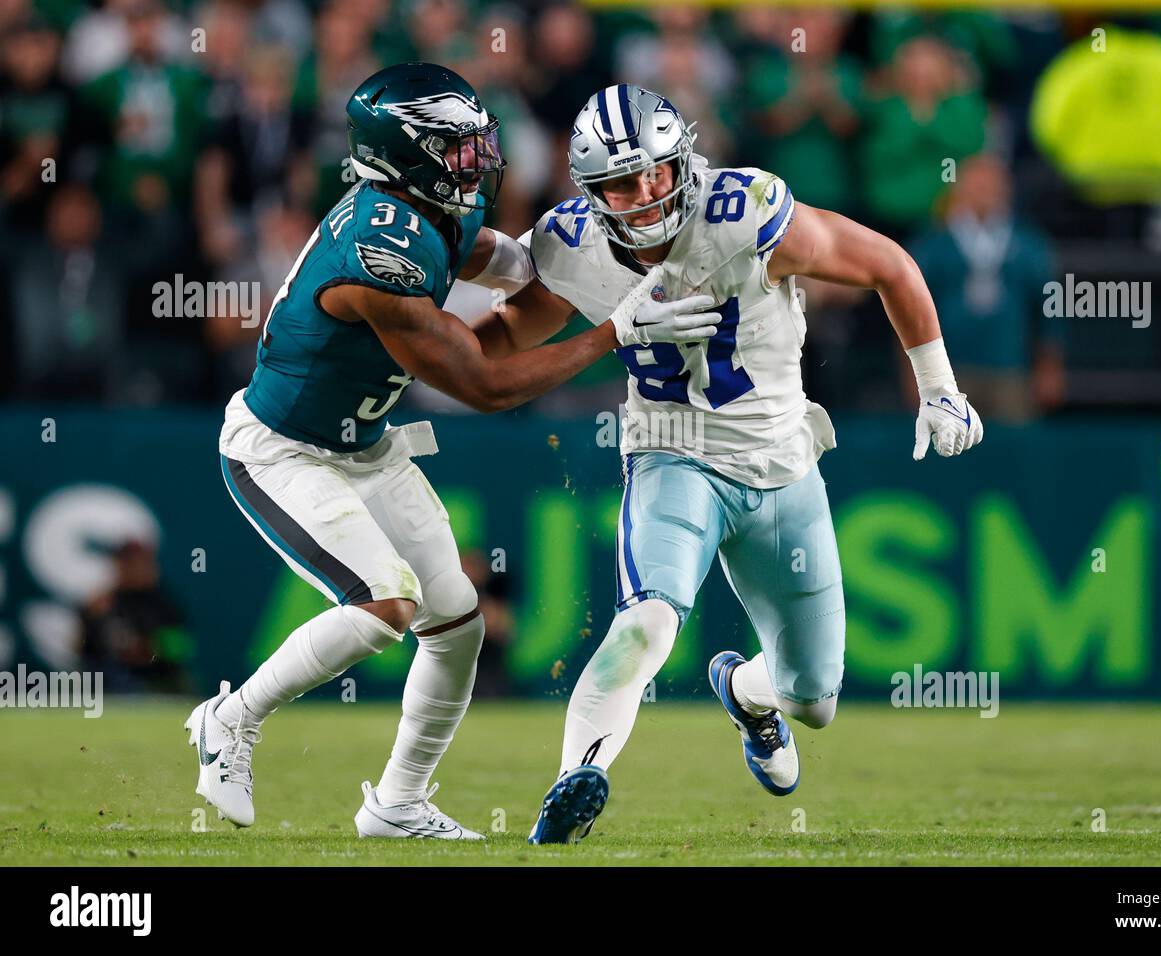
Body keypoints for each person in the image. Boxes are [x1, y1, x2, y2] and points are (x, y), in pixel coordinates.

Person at [184, 64, 718, 839]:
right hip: (282, 452)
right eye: (454, 146)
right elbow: (485, 386)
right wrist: (615, 332)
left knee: (457, 624)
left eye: (476, 142)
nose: (476, 159)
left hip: (364, 446)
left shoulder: (434, 208)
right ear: (403, 153)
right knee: (385, 605)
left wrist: (610, 243)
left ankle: (397, 804)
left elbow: (517, 264)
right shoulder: (378, 252)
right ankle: (229, 719)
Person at [469, 85, 985, 843]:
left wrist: (939, 387)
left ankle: (746, 690)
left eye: (654, 172)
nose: (643, 194)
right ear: (590, 190)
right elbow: (504, 338)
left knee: (815, 697)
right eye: (621, 180)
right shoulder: (572, 244)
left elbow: (889, 264)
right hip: (671, 456)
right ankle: (576, 778)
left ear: (683, 160)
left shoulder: (745, 214)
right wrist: (412, 357)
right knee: (647, 619)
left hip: (783, 465)